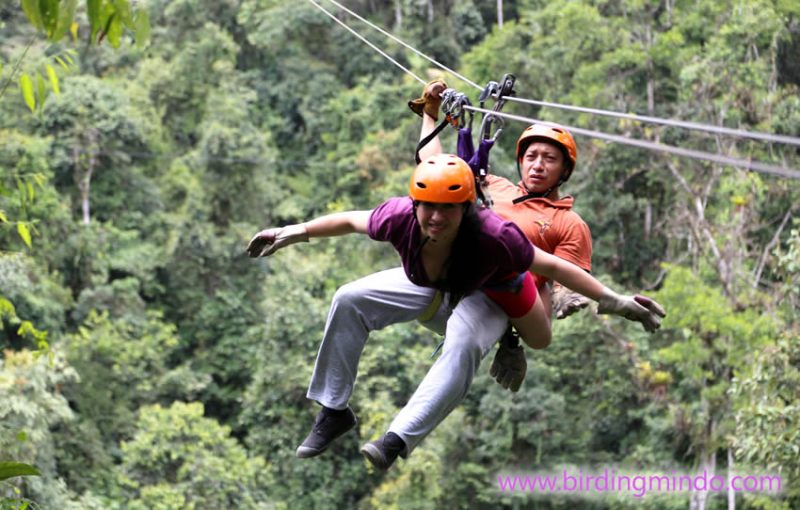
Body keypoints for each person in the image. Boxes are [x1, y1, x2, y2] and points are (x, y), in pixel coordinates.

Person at [247, 154, 665, 471]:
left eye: (447, 209)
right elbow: (352, 221)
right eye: (426, 206)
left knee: (463, 344)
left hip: (486, 297)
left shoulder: (496, 236)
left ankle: (396, 439)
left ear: (466, 208)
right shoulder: (401, 217)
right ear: (414, 204)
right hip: (430, 288)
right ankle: (334, 409)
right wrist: (293, 232)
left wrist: (616, 302)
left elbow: (553, 266)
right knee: (349, 297)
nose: (435, 217)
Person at [412, 80, 596, 391]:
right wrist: (430, 114)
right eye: (531, 156)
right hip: (450, 282)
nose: (537, 165)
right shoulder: (491, 186)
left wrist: (569, 294)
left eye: (549, 159)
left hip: (497, 305)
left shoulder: (568, 223)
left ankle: (508, 338)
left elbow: (563, 279)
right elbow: (433, 167)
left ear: (564, 171)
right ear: (520, 161)